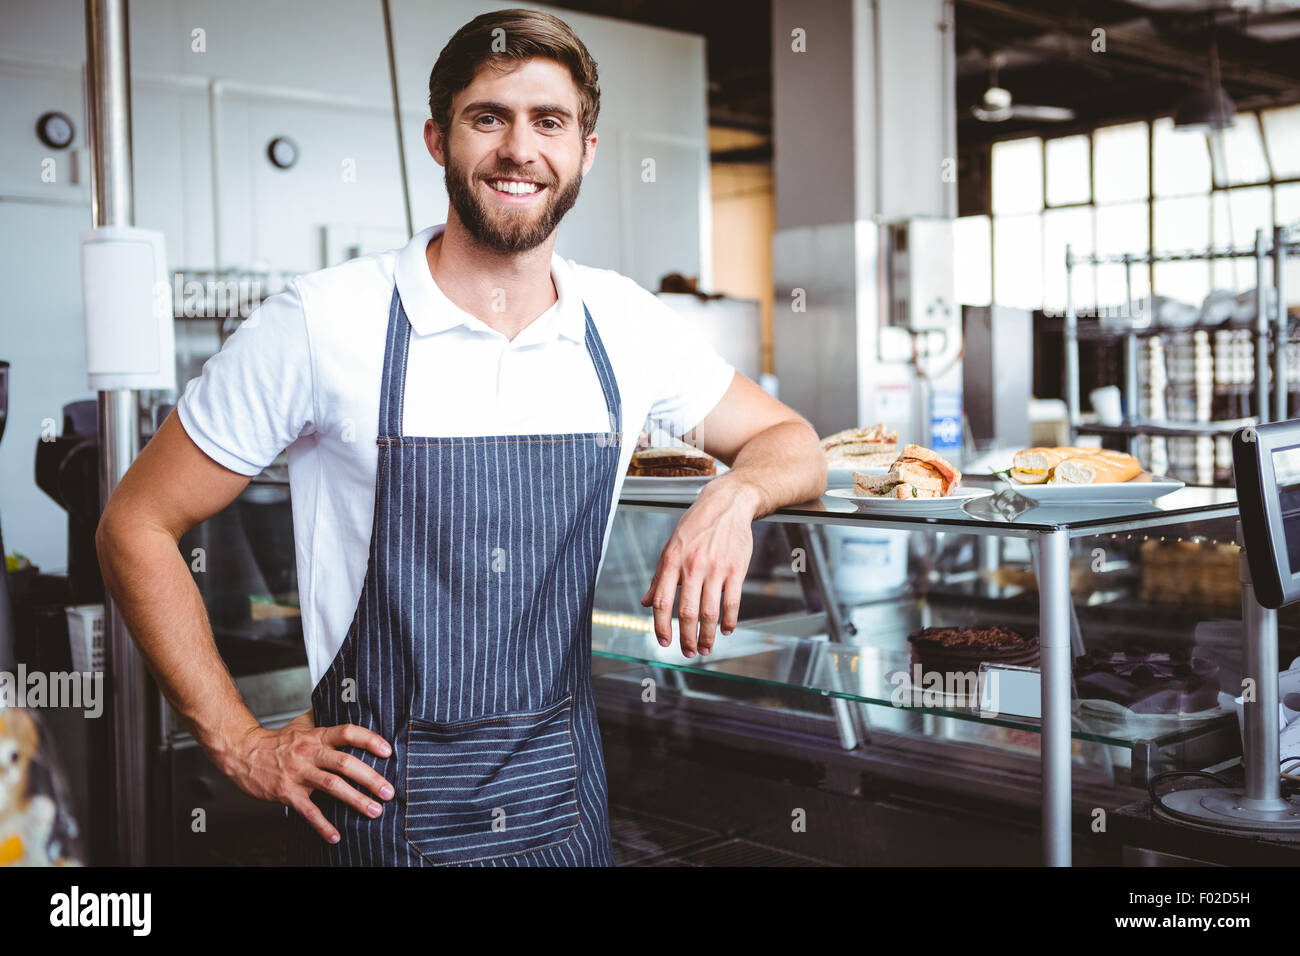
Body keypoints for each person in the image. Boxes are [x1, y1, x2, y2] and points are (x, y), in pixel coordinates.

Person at [96, 8, 825, 867]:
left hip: (564, 811)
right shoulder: (324, 321)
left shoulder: (622, 323)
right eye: (491, 118)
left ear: (585, 151)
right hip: (377, 818)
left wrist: (733, 495)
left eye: (549, 122)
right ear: (441, 138)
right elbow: (134, 525)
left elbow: (790, 438)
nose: (521, 148)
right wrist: (238, 741)